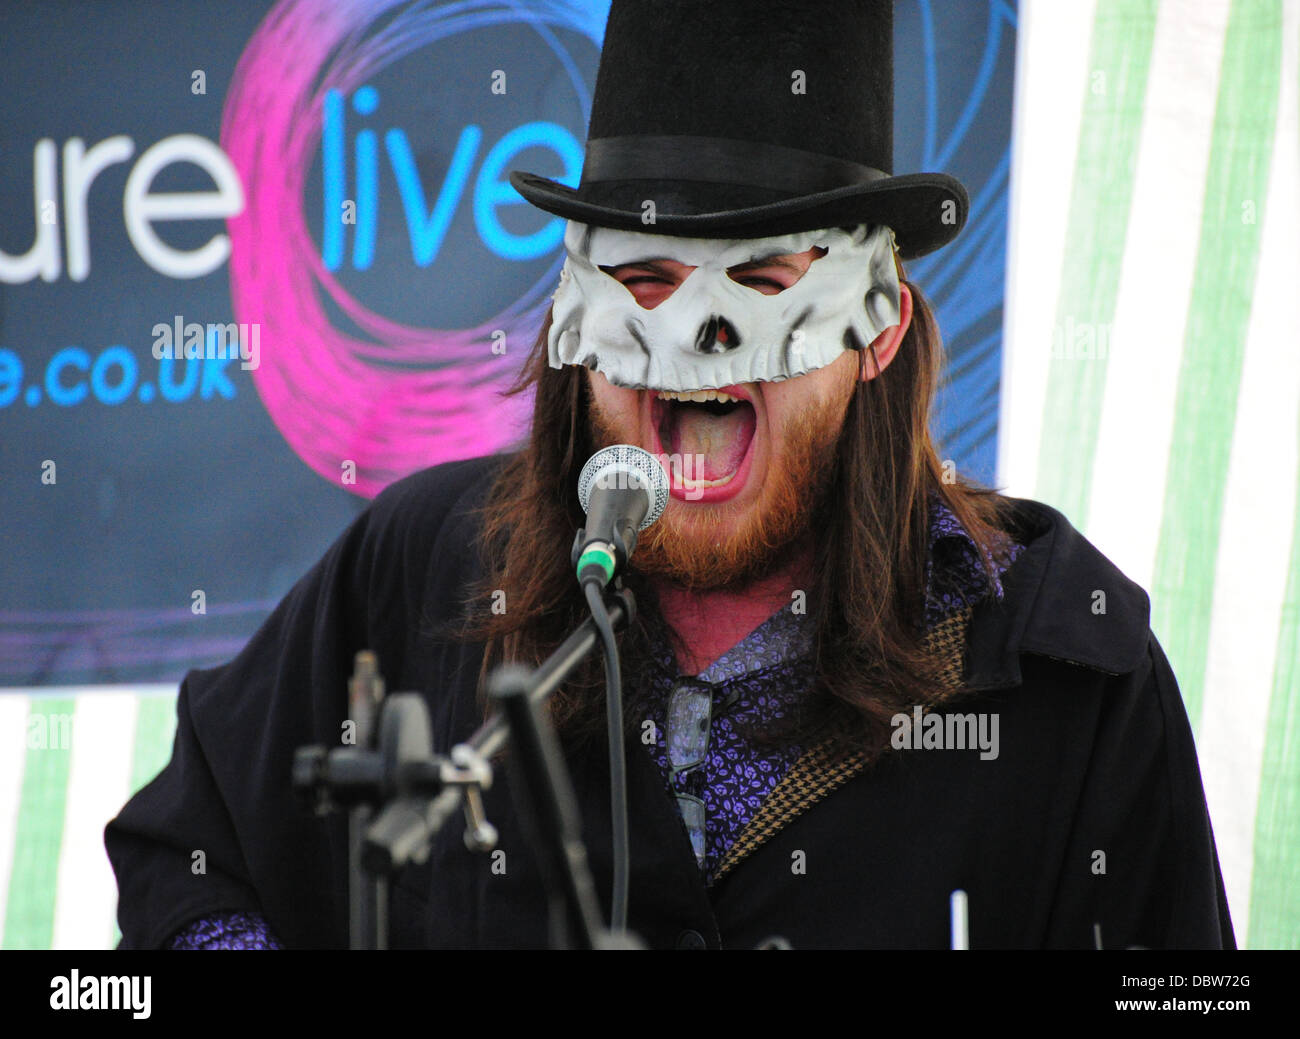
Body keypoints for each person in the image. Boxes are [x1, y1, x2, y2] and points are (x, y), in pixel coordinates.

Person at [106, 0, 1234, 950]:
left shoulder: (1065, 670)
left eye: (764, 274)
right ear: (571, 320)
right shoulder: (427, 566)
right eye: (643, 278)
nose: (700, 334)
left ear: (877, 322)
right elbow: (188, 852)